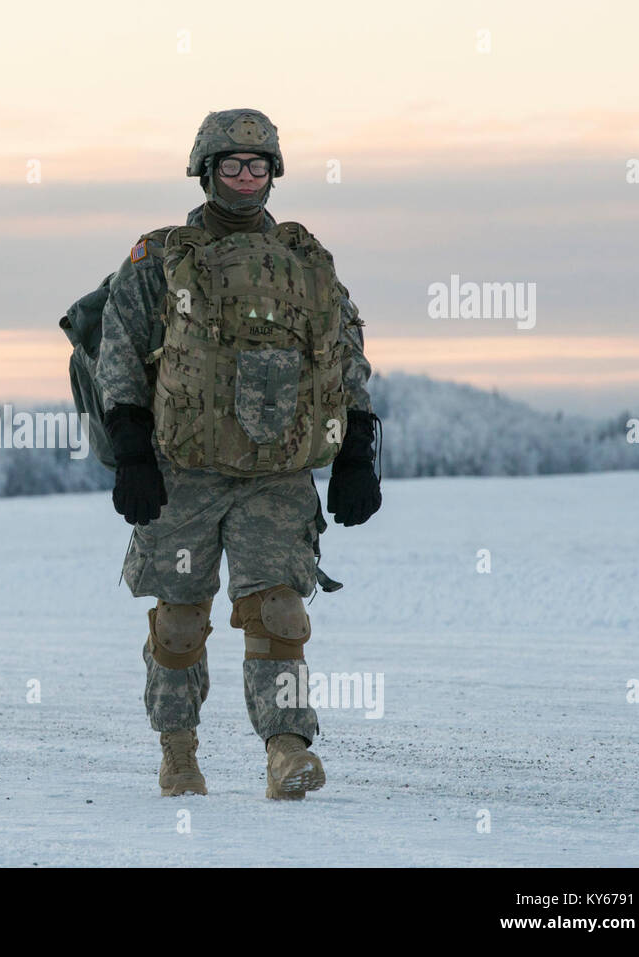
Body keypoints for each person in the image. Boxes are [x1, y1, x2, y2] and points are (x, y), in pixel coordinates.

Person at [95, 109, 382, 799]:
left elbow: (344, 360)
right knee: (181, 619)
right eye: (233, 165)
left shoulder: (304, 261)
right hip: (182, 473)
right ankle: (179, 752)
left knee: (279, 613)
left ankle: (286, 751)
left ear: (274, 174)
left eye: (258, 165)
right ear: (206, 170)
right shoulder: (159, 255)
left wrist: (357, 453)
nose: (246, 177)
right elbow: (121, 353)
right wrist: (131, 452)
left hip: (275, 476)